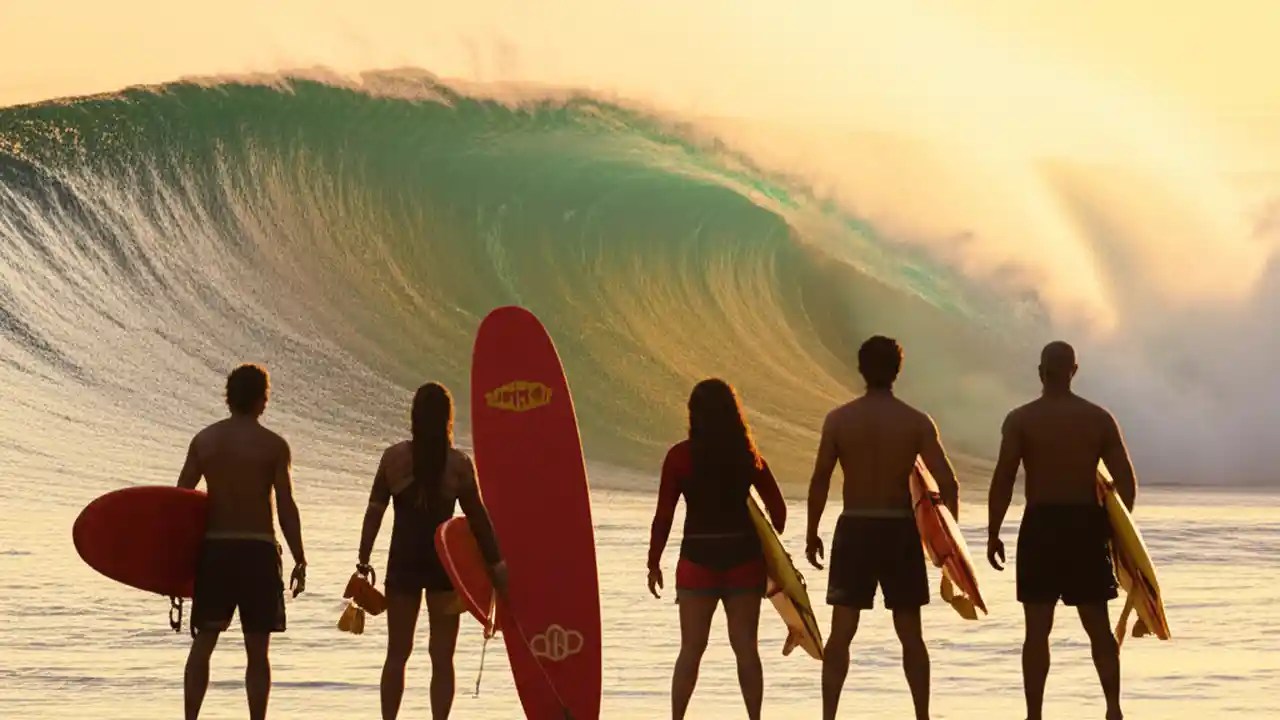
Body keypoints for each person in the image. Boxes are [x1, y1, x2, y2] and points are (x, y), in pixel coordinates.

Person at [805, 336, 959, 720]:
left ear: (860, 369)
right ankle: (921, 716)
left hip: (854, 529)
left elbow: (821, 477)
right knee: (911, 635)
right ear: (897, 371)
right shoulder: (916, 422)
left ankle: (828, 716)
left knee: (841, 632)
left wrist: (812, 531)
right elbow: (949, 483)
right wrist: (947, 542)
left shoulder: (839, 420)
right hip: (898, 531)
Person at [986, 341, 1137, 720]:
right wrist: (1117, 533)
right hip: (1086, 526)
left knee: (1037, 630)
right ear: (1074, 370)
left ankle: (1034, 715)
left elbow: (1004, 478)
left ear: (1041, 372)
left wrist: (993, 531)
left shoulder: (1021, 419)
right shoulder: (1098, 419)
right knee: (1098, 626)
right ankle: (1113, 710)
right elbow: (1126, 482)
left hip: (1041, 526)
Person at [356, 382, 506, 720]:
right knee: (442, 657)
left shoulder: (393, 458)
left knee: (397, 653)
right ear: (447, 419)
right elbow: (479, 520)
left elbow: (374, 511)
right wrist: (496, 564)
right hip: (445, 566)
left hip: (403, 563)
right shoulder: (458, 465)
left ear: (414, 416)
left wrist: (363, 559)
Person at [647, 379, 786, 720]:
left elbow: (664, 516)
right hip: (744, 562)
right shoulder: (749, 456)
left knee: (691, 651)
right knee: (746, 651)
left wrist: (654, 563)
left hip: (697, 562)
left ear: (694, 414)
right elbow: (779, 514)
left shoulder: (680, 457)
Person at [178, 363, 307, 720]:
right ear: (262, 400)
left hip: (216, 551)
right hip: (258, 552)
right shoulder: (274, 446)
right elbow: (285, 506)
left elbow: (179, 500)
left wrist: (174, 563)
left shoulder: (204, 441)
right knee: (257, 651)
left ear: (229, 397)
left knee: (203, 644)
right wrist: (300, 557)